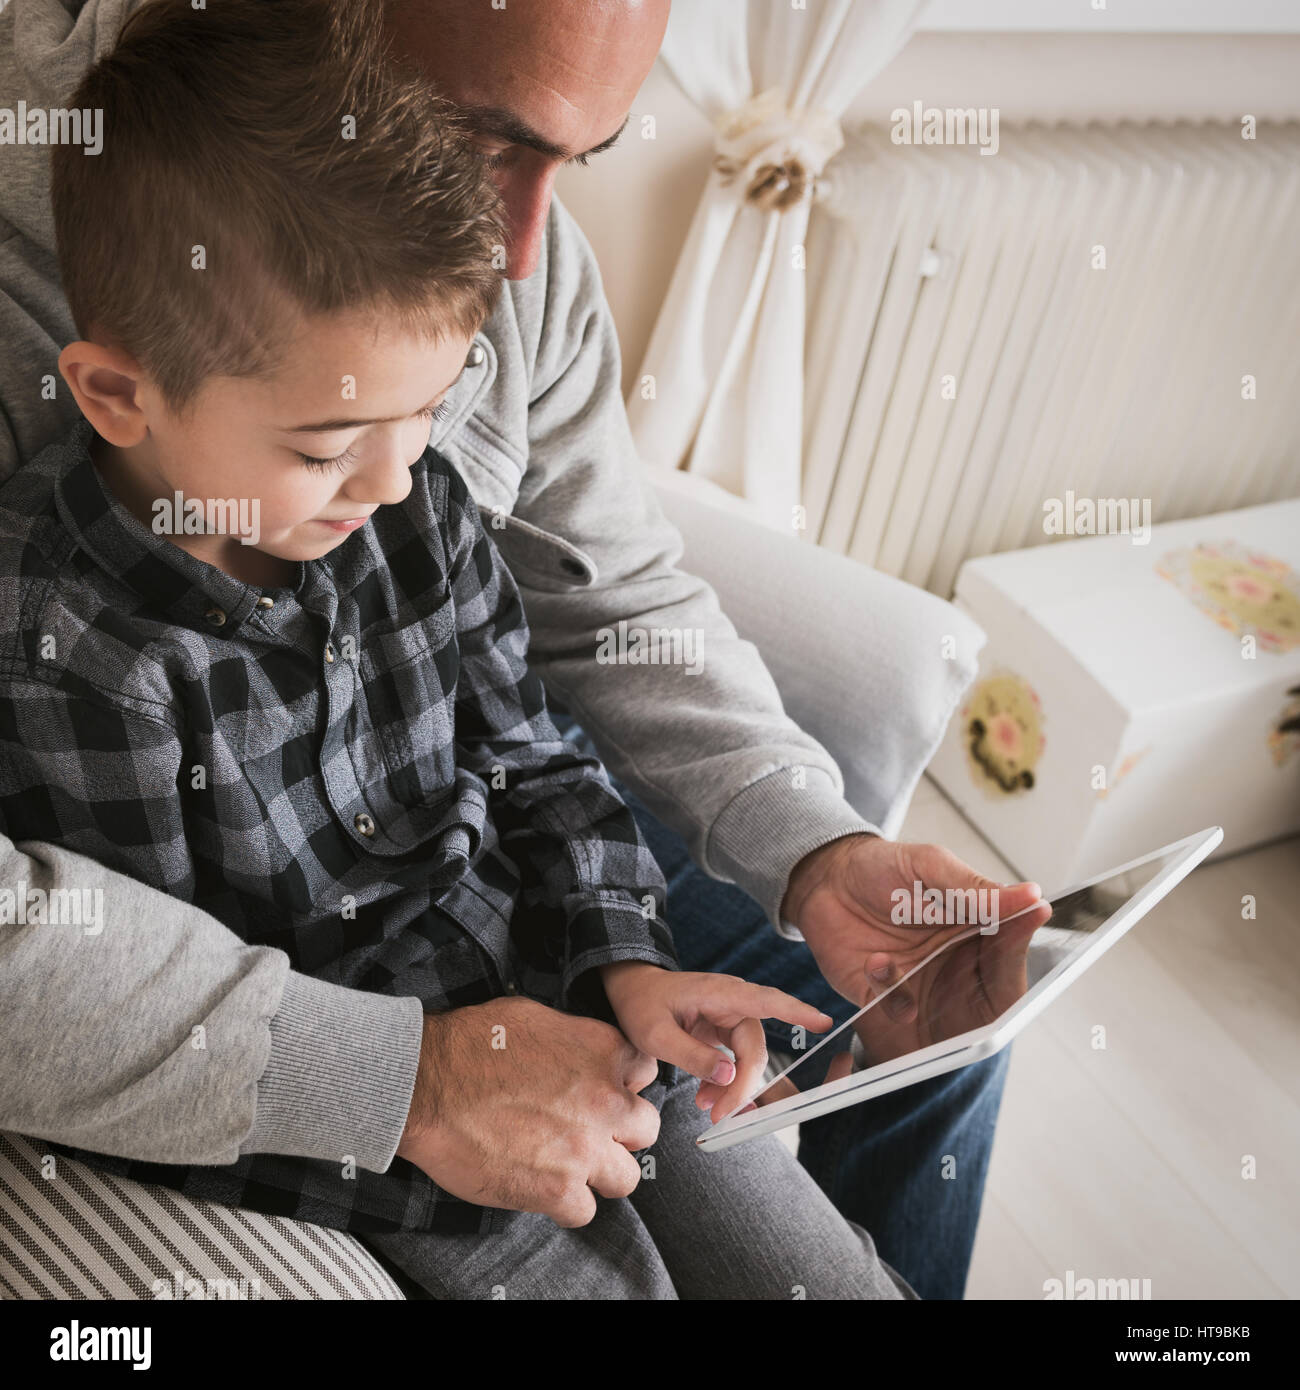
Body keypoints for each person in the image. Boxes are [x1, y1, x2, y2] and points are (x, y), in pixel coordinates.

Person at [0, 0, 1041, 1299]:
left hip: (515, 917)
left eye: (576, 159)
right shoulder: (83, 641)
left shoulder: (409, 485)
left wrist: (743, 890)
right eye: (478, 139)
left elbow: (585, 647)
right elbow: (137, 955)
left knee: (933, 1054)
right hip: (334, 1029)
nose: (526, 251)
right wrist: (409, 1086)